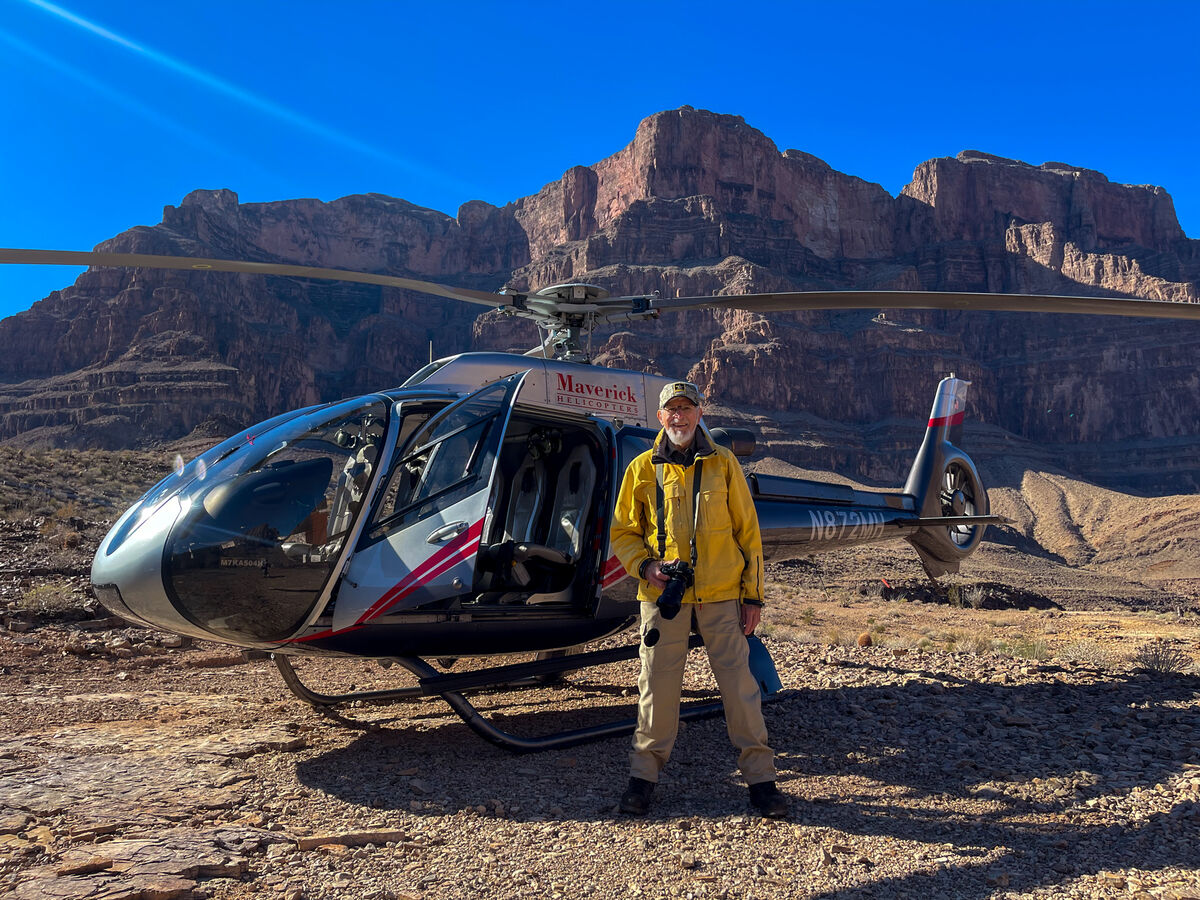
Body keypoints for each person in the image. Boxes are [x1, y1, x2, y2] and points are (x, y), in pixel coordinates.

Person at [609, 381, 788, 818]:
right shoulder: (641, 469)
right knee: (656, 687)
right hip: (662, 597)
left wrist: (753, 597)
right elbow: (623, 532)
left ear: (699, 413)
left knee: (740, 689)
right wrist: (646, 567)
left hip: (722, 596)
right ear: (660, 417)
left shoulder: (723, 464)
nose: (679, 416)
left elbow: (748, 534)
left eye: (686, 408)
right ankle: (642, 779)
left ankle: (762, 782)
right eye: (671, 409)